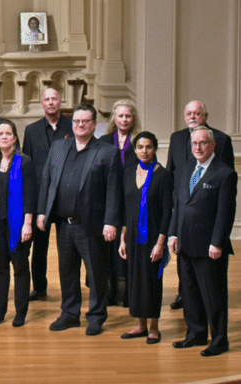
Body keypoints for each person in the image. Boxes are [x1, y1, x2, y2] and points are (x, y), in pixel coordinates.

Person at [37, 102, 122, 335]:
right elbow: (46, 181)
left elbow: (114, 191)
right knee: (67, 272)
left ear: (94, 124)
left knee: (96, 273)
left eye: (85, 121)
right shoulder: (58, 147)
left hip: (92, 225)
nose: (80, 125)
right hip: (64, 224)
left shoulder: (107, 152)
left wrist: (111, 222)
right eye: (76, 121)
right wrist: (42, 212)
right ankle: (69, 314)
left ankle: (96, 316)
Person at [169, 127, 237, 357]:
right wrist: (173, 234)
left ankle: (219, 340)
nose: (197, 147)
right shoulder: (187, 168)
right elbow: (179, 205)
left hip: (209, 248)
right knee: (189, 294)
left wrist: (217, 242)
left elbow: (225, 213)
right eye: (194, 143)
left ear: (212, 145)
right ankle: (195, 334)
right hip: (185, 244)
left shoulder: (225, 173)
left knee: (213, 296)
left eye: (202, 143)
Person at [166, 99, 235, 311]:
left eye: (197, 113)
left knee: (210, 280)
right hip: (182, 207)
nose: (192, 117)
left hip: (206, 213)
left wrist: (218, 239)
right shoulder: (177, 138)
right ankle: (183, 295)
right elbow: (171, 171)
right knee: (185, 268)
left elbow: (226, 183)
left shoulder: (221, 140)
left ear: (205, 116)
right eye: (189, 113)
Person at [117, 131, 173, 344]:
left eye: (149, 147)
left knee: (152, 281)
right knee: (135, 280)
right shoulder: (128, 172)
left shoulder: (163, 174)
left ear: (155, 148)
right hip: (131, 236)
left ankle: (154, 327)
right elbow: (125, 208)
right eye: (140, 147)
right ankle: (140, 325)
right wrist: (122, 239)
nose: (144, 151)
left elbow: (167, 212)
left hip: (153, 237)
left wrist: (160, 243)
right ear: (135, 149)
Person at [0, 120, 35, 327]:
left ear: (14, 138)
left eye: (8, 133)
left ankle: (20, 312)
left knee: (20, 269)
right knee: (0, 270)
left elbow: (30, 197)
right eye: (0, 134)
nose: (4, 137)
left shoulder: (25, 162)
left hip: (17, 225)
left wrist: (27, 224)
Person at [21, 87, 73, 300]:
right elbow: (27, 165)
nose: (51, 102)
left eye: (54, 99)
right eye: (47, 99)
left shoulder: (73, 126)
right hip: (41, 197)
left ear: (60, 102)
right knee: (39, 247)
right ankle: (39, 287)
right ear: (42, 104)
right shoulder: (31, 130)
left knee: (67, 247)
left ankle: (69, 290)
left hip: (66, 196)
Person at [104, 98, 139, 306]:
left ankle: (126, 295)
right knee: (108, 247)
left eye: (128, 116)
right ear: (114, 119)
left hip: (131, 199)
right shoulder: (104, 141)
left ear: (133, 119)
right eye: (121, 116)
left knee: (127, 247)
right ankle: (109, 294)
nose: (124, 119)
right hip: (108, 199)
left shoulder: (139, 141)